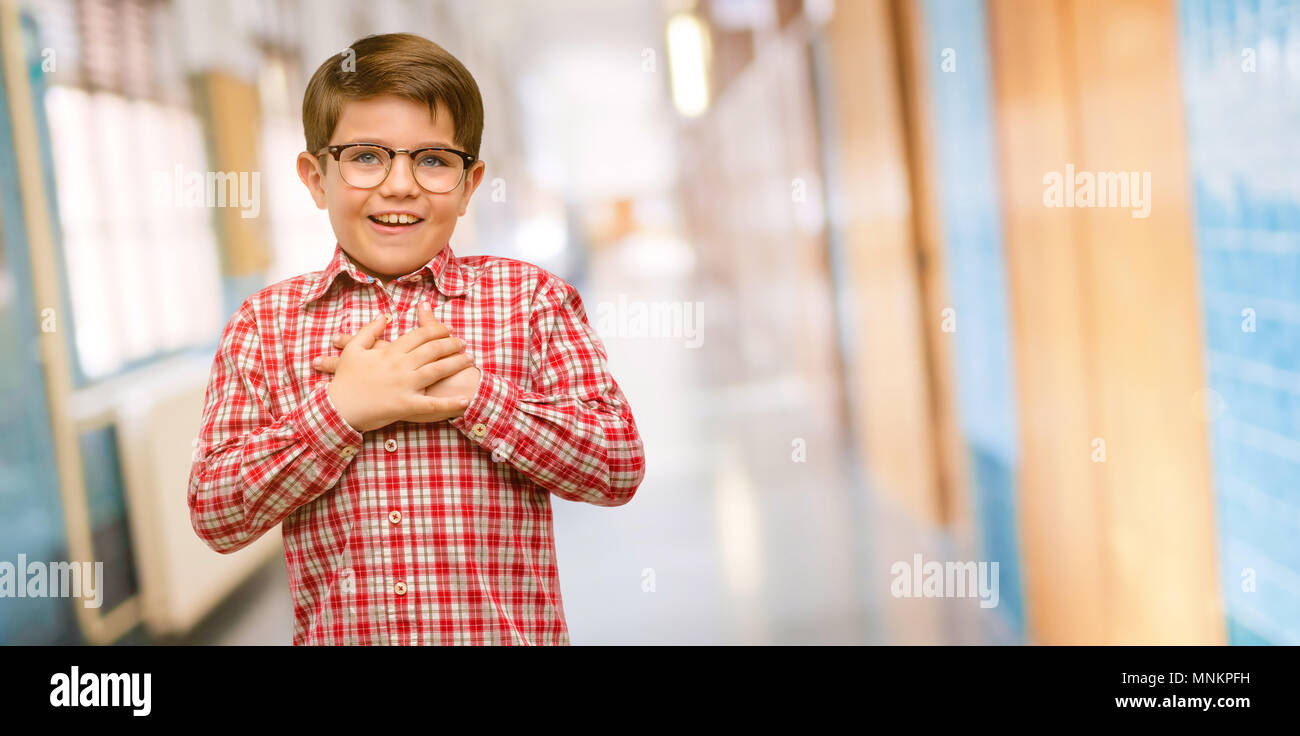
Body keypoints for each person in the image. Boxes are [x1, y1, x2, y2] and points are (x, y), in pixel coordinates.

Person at [186, 32, 646, 645]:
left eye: (432, 160)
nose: (400, 184)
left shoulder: (531, 300)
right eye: (366, 156)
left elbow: (617, 465)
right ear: (316, 177)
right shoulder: (264, 325)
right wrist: (339, 412)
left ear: (469, 183)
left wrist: (478, 398)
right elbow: (216, 514)